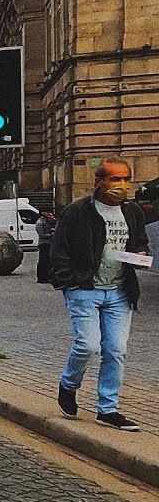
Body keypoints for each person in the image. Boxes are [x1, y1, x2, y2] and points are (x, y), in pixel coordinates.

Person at [52, 158, 150, 432]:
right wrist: (69, 281)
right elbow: (59, 249)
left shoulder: (133, 212)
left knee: (116, 350)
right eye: (114, 179)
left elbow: (140, 242)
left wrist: (140, 255)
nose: (121, 185)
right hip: (85, 289)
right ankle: (68, 384)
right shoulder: (77, 212)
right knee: (88, 345)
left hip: (119, 291)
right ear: (99, 182)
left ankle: (107, 408)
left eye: (126, 179)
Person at [35, 210, 56, 284]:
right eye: (48, 213)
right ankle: (41, 277)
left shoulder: (48, 221)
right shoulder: (40, 223)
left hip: (49, 243)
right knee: (43, 261)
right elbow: (42, 235)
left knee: (49, 261)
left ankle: (48, 276)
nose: (49, 214)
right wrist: (51, 235)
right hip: (43, 244)